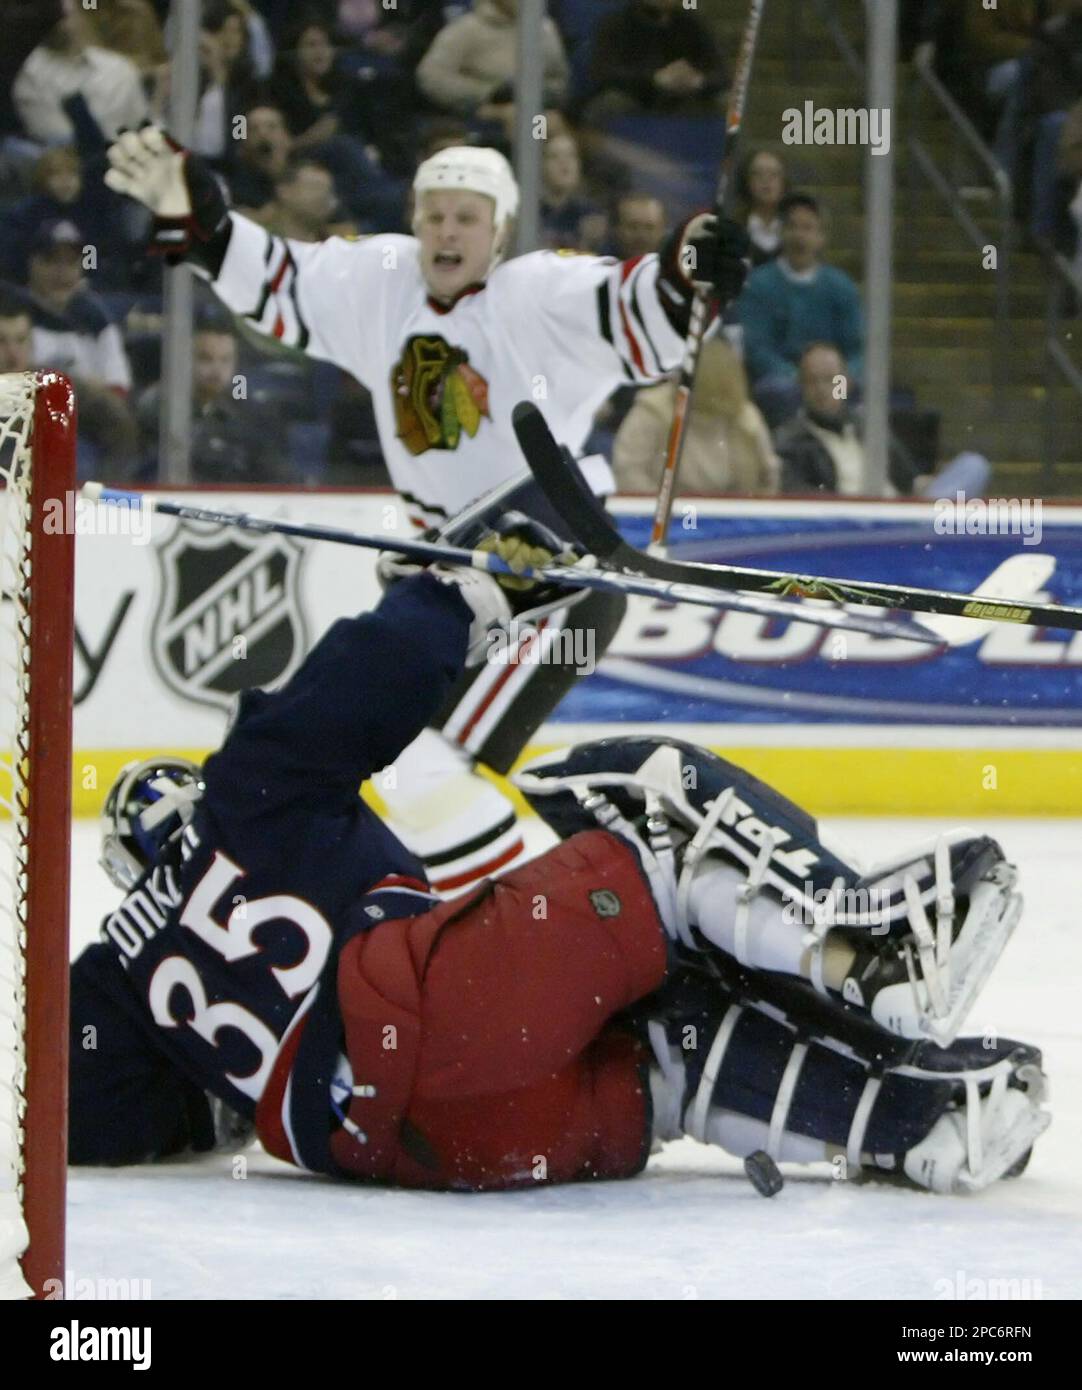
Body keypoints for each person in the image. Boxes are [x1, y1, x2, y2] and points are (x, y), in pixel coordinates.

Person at [68, 541, 1049, 1195]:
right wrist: (463, 590)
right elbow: (357, 680)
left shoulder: (120, 981)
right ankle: (868, 949)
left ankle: (918, 1122)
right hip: (441, 1006)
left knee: (660, 1045)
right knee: (643, 798)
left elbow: (84, 1121)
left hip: (431, 1152)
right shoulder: (243, 795)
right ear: (186, 807)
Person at [103, 125, 750, 895]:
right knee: (378, 750)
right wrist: (207, 224)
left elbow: (639, 309)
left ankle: (522, 935)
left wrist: (687, 268)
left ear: (500, 229)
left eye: (466, 217)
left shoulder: (537, 291)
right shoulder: (378, 280)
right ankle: (475, 927)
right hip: (446, 569)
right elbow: (279, 278)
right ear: (414, 220)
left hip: (549, 561)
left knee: (422, 765)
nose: (447, 230)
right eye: (434, 214)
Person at [775, 342, 991, 500]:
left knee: (973, 465)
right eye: (812, 381)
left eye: (831, 380)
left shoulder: (867, 426)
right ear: (801, 387)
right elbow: (801, 497)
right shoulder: (791, 440)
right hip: (848, 522)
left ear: (846, 384)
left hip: (898, 512)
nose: (822, 389)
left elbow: (910, 481)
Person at [737, 192, 865, 428]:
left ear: (821, 237)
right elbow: (756, 349)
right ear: (781, 233)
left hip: (834, 378)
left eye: (808, 228)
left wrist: (842, 377)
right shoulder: (759, 284)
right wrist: (803, 378)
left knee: (861, 394)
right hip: (786, 381)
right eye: (792, 227)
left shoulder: (841, 286)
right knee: (778, 392)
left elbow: (858, 349)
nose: (799, 235)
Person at [135, 316, 291, 484]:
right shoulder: (157, 409)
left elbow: (274, 476)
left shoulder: (251, 416)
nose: (217, 370)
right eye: (205, 358)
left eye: (225, 360)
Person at [613, 338, 778, 495]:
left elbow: (767, 478)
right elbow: (628, 470)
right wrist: (666, 510)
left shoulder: (745, 417)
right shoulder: (652, 411)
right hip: (665, 515)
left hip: (733, 518)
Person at [12, 0, 149, 150]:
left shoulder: (118, 67)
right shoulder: (31, 77)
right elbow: (59, 140)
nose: (64, 25)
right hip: (75, 164)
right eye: (58, 16)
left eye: (69, 15)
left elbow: (144, 126)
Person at [415, 0, 570, 125]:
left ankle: (541, 158)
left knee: (550, 125)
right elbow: (432, 76)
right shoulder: (466, 29)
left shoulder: (545, 29)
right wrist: (487, 92)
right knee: (516, 119)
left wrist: (543, 92)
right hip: (482, 114)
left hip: (536, 110)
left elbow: (559, 78)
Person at [585, 0, 727, 118]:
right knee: (612, 102)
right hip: (635, 96)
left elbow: (721, 73)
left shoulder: (693, 24)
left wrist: (698, 81)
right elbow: (602, 73)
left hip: (686, 96)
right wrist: (655, 79)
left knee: (728, 102)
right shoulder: (616, 23)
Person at [735, 147, 788, 266]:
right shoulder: (734, 227)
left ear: (784, 181)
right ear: (746, 181)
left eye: (773, 174)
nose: (766, 180)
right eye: (757, 174)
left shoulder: (794, 227)